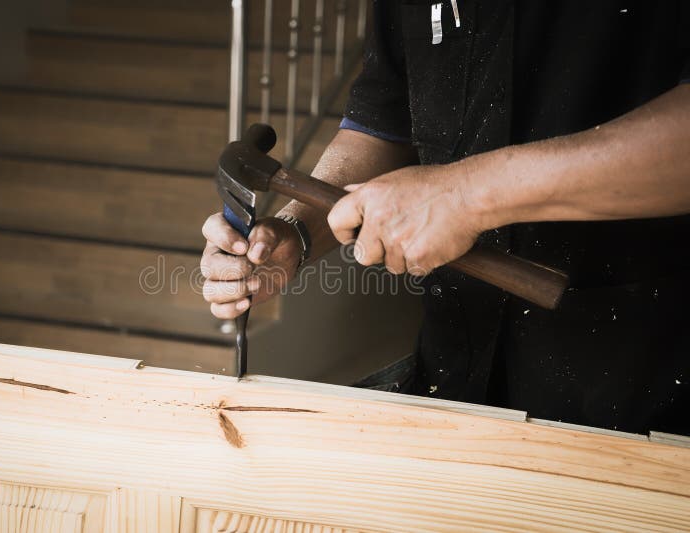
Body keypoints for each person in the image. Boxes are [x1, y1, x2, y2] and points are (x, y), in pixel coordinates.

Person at [200, 1, 690, 435]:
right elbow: (383, 124)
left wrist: (466, 195)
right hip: (457, 365)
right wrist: (296, 232)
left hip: (643, 383)